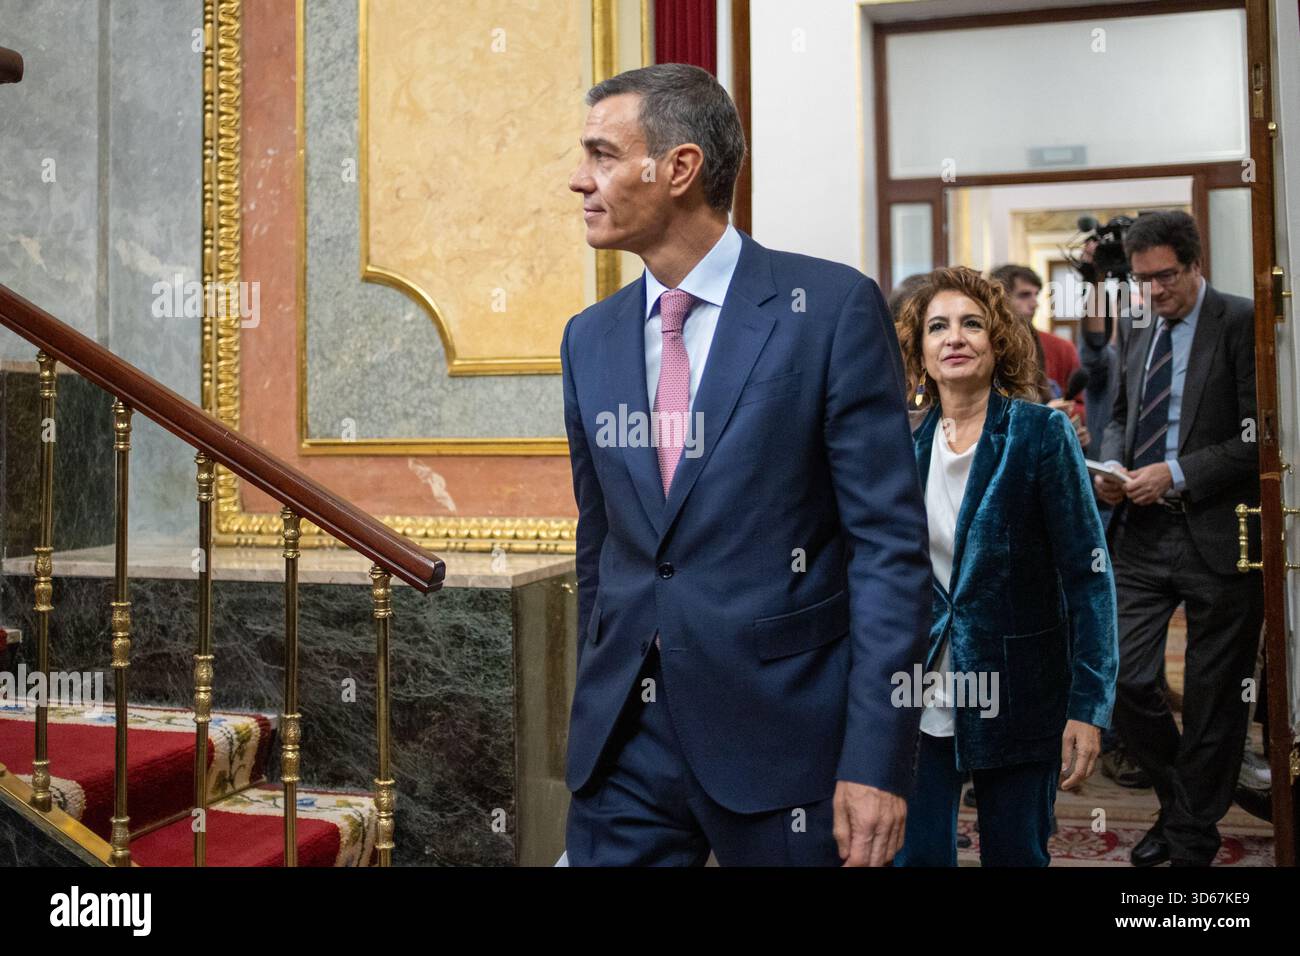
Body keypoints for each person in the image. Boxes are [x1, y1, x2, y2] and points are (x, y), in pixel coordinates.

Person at [560, 64, 930, 866]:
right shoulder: (587, 338)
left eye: (601, 154)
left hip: (791, 745)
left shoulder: (828, 310)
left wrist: (876, 758)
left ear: (680, 168)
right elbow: (606, 544)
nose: (577, 180)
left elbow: (890, 555)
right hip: (624, 750)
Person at [892, 266, 1118, 867]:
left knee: (1016, 854)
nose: (955, 337)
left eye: (972, 324)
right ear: (920, 348)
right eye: (938, 326)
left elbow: (1089, 577)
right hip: (919, 690)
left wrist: (1087, 707)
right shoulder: (900, 446)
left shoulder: (1040, 432)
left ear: (999, 340)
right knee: (916, 858)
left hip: (1020, 689)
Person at [1093, 210, 1264, 867]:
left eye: (1166, 277)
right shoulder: (1137, 324)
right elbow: (1115, 415)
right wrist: (1112, 468)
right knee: (1124, 678)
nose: (1154, 292)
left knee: (1214, 698)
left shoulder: (1241, 321)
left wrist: (1178, 472)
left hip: (1218, 532)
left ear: (1195, 265)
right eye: (1142, 280)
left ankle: (1189, 838)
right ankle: (1182, 803)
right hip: (1139, 533)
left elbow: (1256, 439)